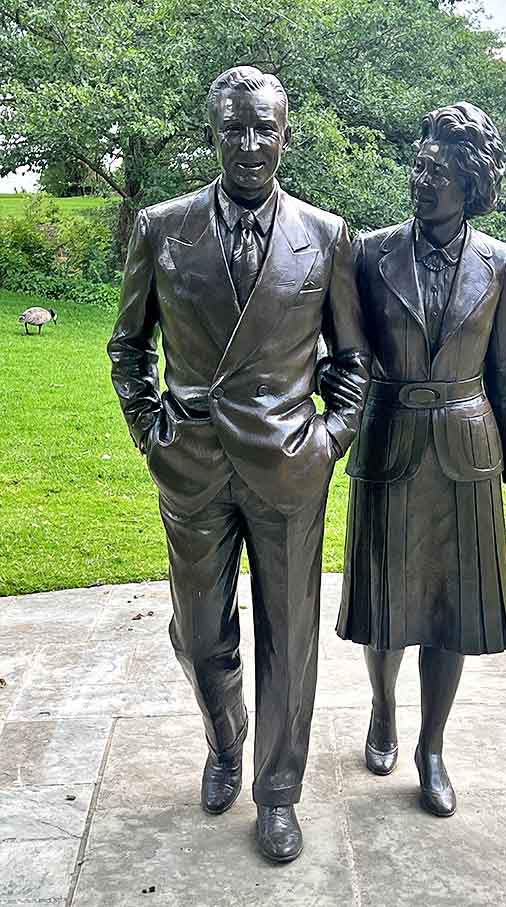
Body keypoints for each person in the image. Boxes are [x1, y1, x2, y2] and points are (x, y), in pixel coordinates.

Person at [108, 66, 368, 862]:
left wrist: (326, 442)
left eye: (265, 128)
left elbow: (352, 362)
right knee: (199, 633)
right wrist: (152, 430)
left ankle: (277, 791)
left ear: (286, 132)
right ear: (213, 130)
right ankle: (226, 739)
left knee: (289, 640)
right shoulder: (162, 227)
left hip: (288, 467)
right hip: (191, 462)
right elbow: (127, 346)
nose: (250, 145)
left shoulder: (325, 235)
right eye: (234, 128)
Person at [331, 102, 506, 817]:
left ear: (470, 183)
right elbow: (345, 358)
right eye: (418, 166)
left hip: (467, 447)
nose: (422, 179)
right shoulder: (370, 252)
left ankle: (433, 746)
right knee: (388, 603)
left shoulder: (498, 262)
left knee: (450, 612)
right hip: (390, 443)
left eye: (438, 171)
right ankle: (382, 708)